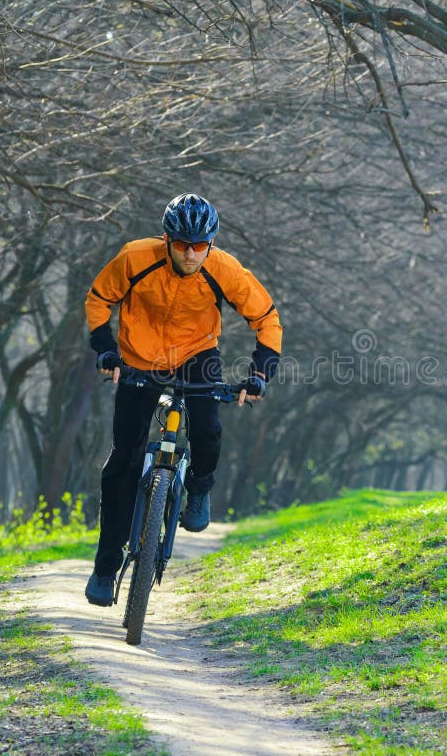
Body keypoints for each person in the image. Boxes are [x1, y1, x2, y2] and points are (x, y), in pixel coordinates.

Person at [83, 193, 282, 607]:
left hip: (197, 355)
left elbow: (265, 318)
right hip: (140, 359)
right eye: (182, 245)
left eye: (200, 246)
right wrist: (105, 350)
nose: (191, 255)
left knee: (208, 427)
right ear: (166, 239)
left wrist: (259, 375)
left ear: (211, 242)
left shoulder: (223, 269)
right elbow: (100, 299)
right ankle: (105, 567)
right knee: (122, 460)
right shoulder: (135, 258)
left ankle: (199, 487)